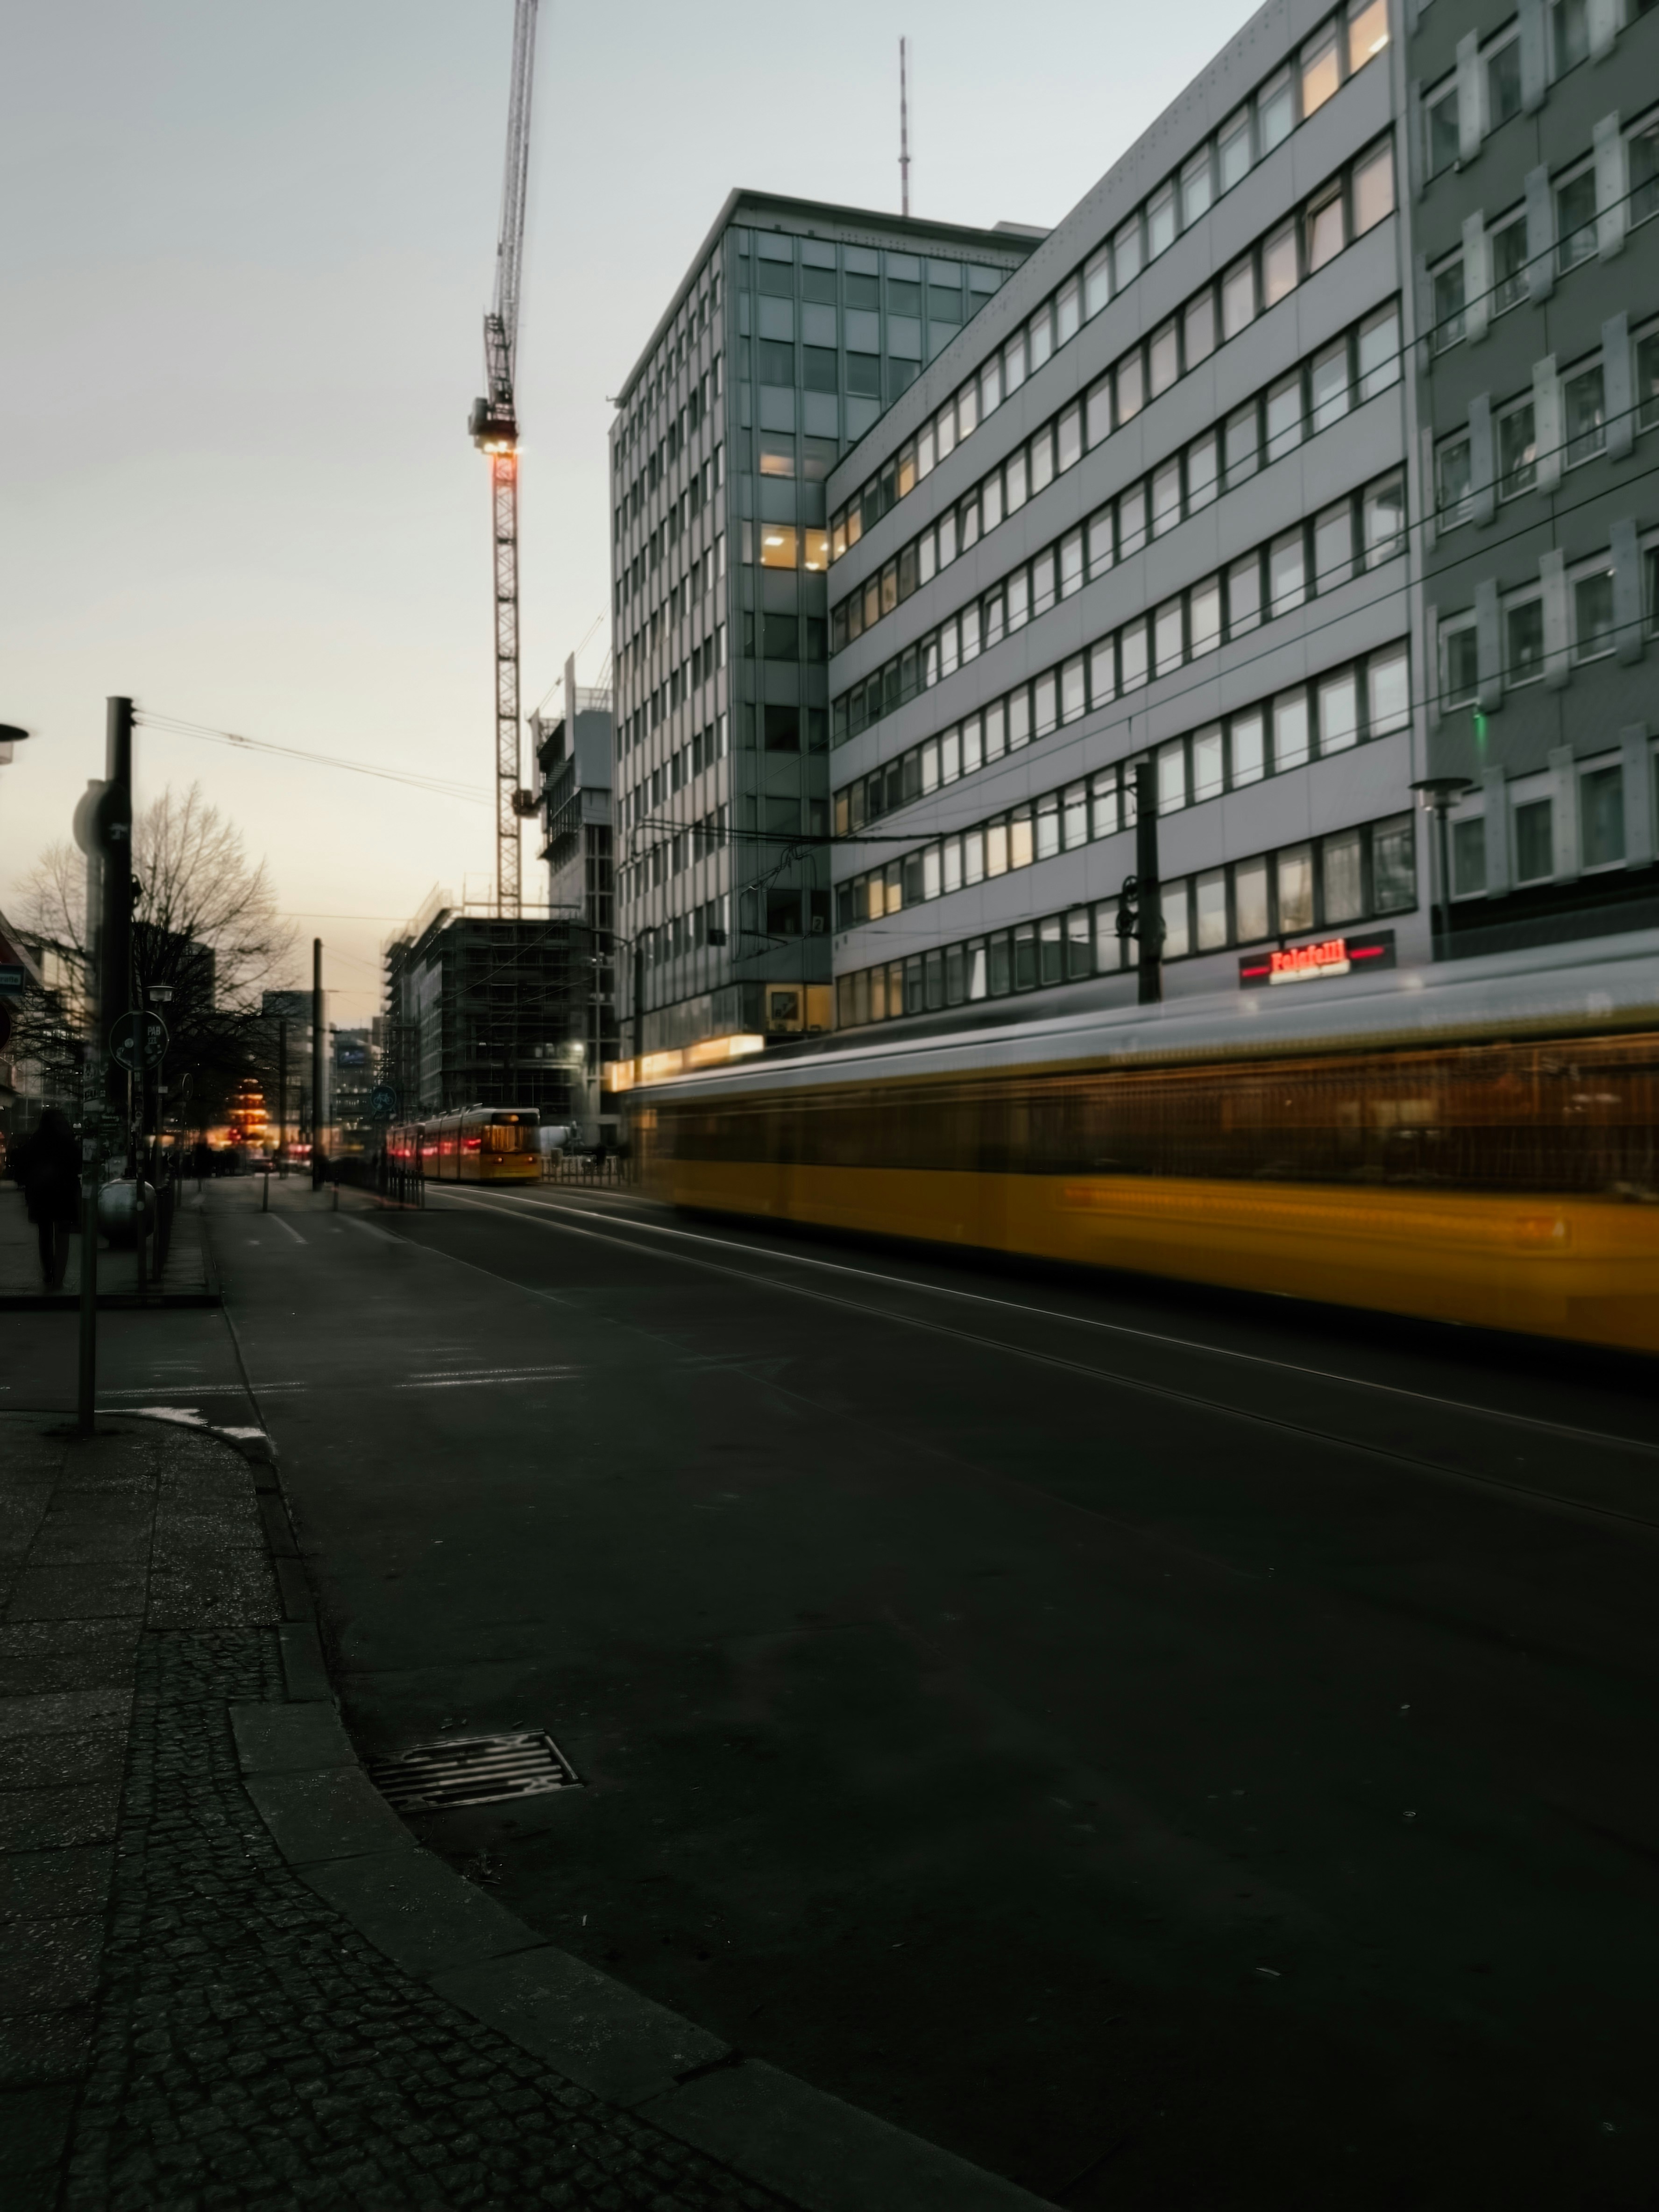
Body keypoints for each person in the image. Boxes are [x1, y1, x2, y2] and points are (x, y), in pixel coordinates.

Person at [12, 1106, 80, 1292]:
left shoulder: (36, 1141)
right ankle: (59, 1275)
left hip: (42, 1195)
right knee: (62, 1236)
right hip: (64, 1195)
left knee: (45, 1235)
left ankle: (48, 1271)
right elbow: (78, 1165)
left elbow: (22, 1164)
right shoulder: (67, 1141)